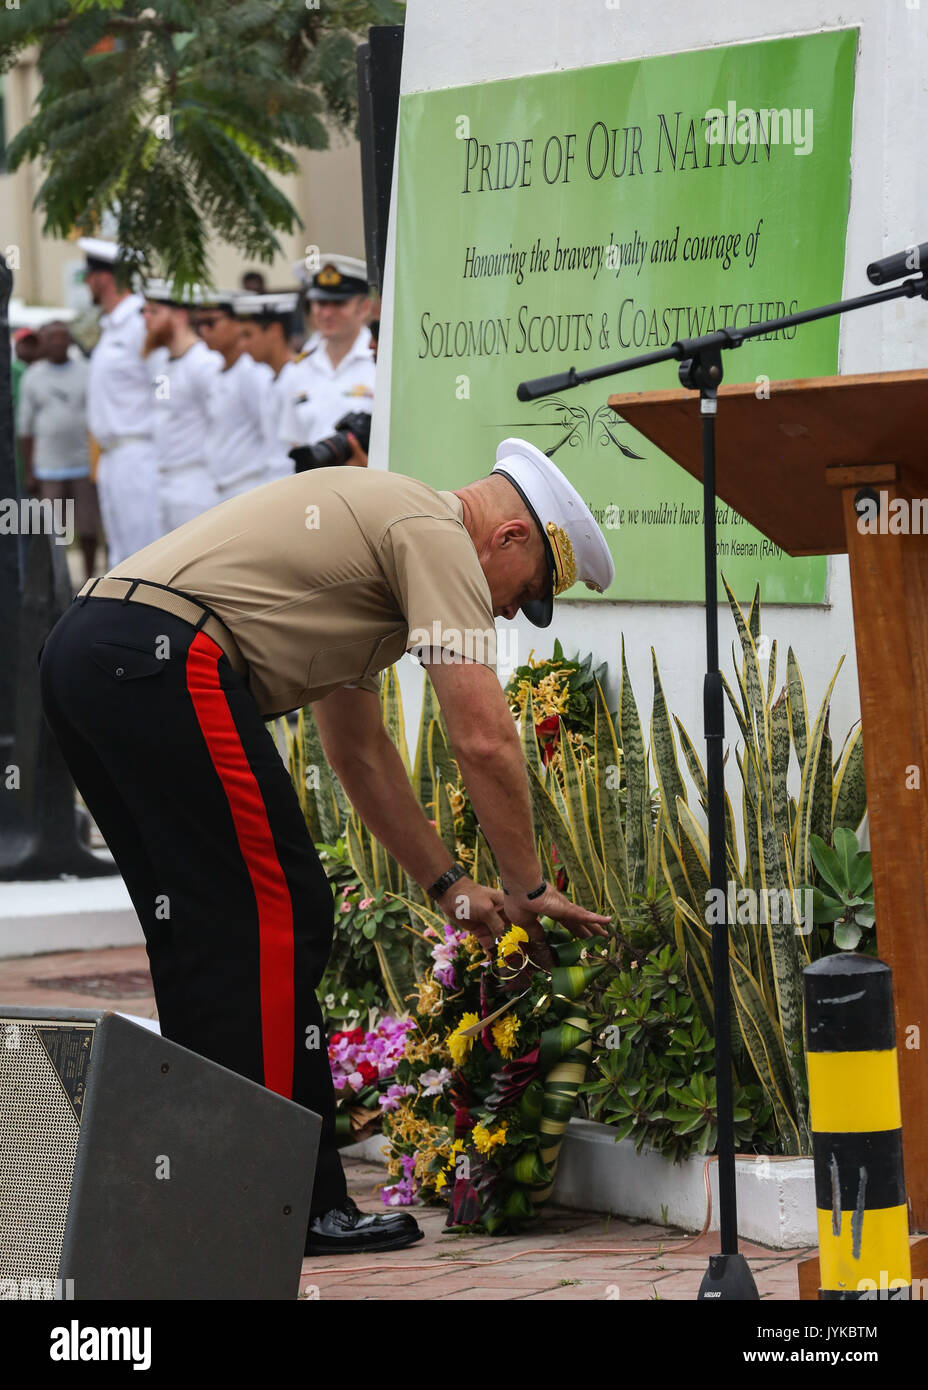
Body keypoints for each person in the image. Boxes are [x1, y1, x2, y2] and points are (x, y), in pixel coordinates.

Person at [38, 437, 614, 1255]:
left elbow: (360, 752)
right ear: (510, 538)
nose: (512, 613)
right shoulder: (438, 530)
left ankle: (215, 1190)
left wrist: (449, 883)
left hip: (90, 655)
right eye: (527, 594)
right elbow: (484, 739)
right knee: (280, 912)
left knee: (204, 932)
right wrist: (526, 887)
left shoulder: (381, 544)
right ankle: (288, 1205)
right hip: (166, 657)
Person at [79, 237, 162, 566]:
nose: (86, 283)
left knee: (144, 554)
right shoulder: (112, 327)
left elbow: (163, 387)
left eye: (89, 275)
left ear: (104, 278)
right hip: (112, 457)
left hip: (139, 453)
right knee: (120, 554)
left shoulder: (139, 324)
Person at [16, 320, 101, 581]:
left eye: (63, 337)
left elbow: (99, 418)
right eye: (52, 338)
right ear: (44, 342)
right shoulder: (33, 376)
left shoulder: (86, 371)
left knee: (88, 528)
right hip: (48, 468)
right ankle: (58, 584)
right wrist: (30, 472)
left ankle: (89, 578)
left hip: (83, 465)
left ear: (70, 341)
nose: (58, 342)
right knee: (54, 532)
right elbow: (25, 429)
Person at [142, 279, 222, 532]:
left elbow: (219, 423)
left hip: (196, 483)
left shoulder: (204, 364)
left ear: (178, 315)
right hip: (164, 481)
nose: (146, 319)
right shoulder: (163, 363)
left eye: (154, 312)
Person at [277, 255, 376, 454]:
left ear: (363, 307)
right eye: (321, 303)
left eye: (339, 304)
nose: (327, 313)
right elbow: (294, 443)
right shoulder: (297, 370)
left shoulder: (380, 362)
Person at [196, 292, 273, 501]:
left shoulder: (252, 373)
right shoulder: (215, 372)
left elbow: (269, 433)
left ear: (236, 324)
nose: (203, 330)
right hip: (221, 487)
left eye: (211, 322)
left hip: (250, 486)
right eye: (199, 324)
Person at [236, 291, 304, 481]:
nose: (243, 345)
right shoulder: (271, 378)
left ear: (274, 331)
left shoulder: (297, 378)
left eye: (248, 335)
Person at [11, 327, 43, 494]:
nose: (30, 349)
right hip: (20, 441)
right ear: (17, 346)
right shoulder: (16, 371)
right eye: (26, 344)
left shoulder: (39, 371)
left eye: (34, 344)